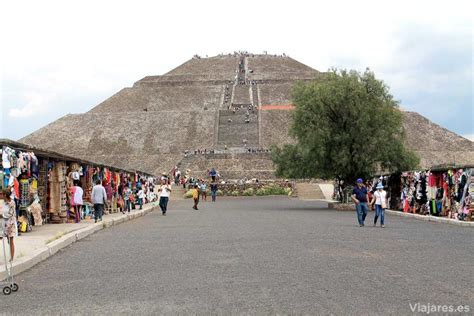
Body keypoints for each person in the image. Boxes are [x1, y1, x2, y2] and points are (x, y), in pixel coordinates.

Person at [2, 188, 17, 261]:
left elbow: (11, 214)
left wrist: (2, 215)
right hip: (2, 223)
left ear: (5, 195)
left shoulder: (12, 203)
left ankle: (12, 257)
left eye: (1, 194)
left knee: (11, 240)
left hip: (10, 224)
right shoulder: (2, 202)